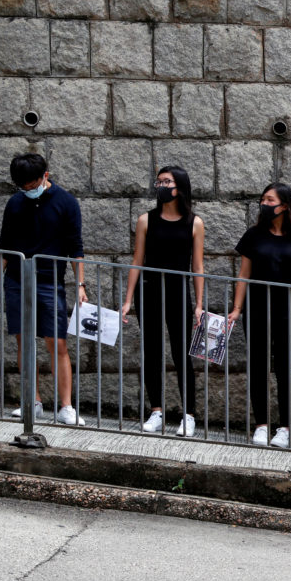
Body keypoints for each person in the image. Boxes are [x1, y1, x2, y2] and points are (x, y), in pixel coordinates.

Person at [0, 153, 86, 426]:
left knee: (57, 342)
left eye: (31, 185)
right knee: (23, 340)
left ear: (45, 176)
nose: (27, 190)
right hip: (17, 279)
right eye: (22, 187)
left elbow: (76, 248)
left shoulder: (66, 202)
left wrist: (81, 285)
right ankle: (32, 401)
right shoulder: (15, 203)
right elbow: (3, 244)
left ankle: (66, 406)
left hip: (50, 281)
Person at [228, 184, 291, 448]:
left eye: (270, 200)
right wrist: (236, 308)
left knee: (285, 369)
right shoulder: (253, 235)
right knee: (257, 365)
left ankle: (285, 428)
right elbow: (243, 274)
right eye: (263, 199)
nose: (264, 204)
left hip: (289, 312)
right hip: (257, 310)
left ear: (285, 206)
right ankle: (261, 425)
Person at [120, 166, 205, 437]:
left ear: (179, 187)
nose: (161, 185)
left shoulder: (194, 222)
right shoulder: (146, 220)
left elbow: (198, 266)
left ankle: (188, 414)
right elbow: (137, 260)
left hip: (178, 292)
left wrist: (199, 304)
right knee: (152, 350)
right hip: (151, 289)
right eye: (159, 181)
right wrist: (127, 299)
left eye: (167, 181)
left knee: (182, 353)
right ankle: (156, 410)